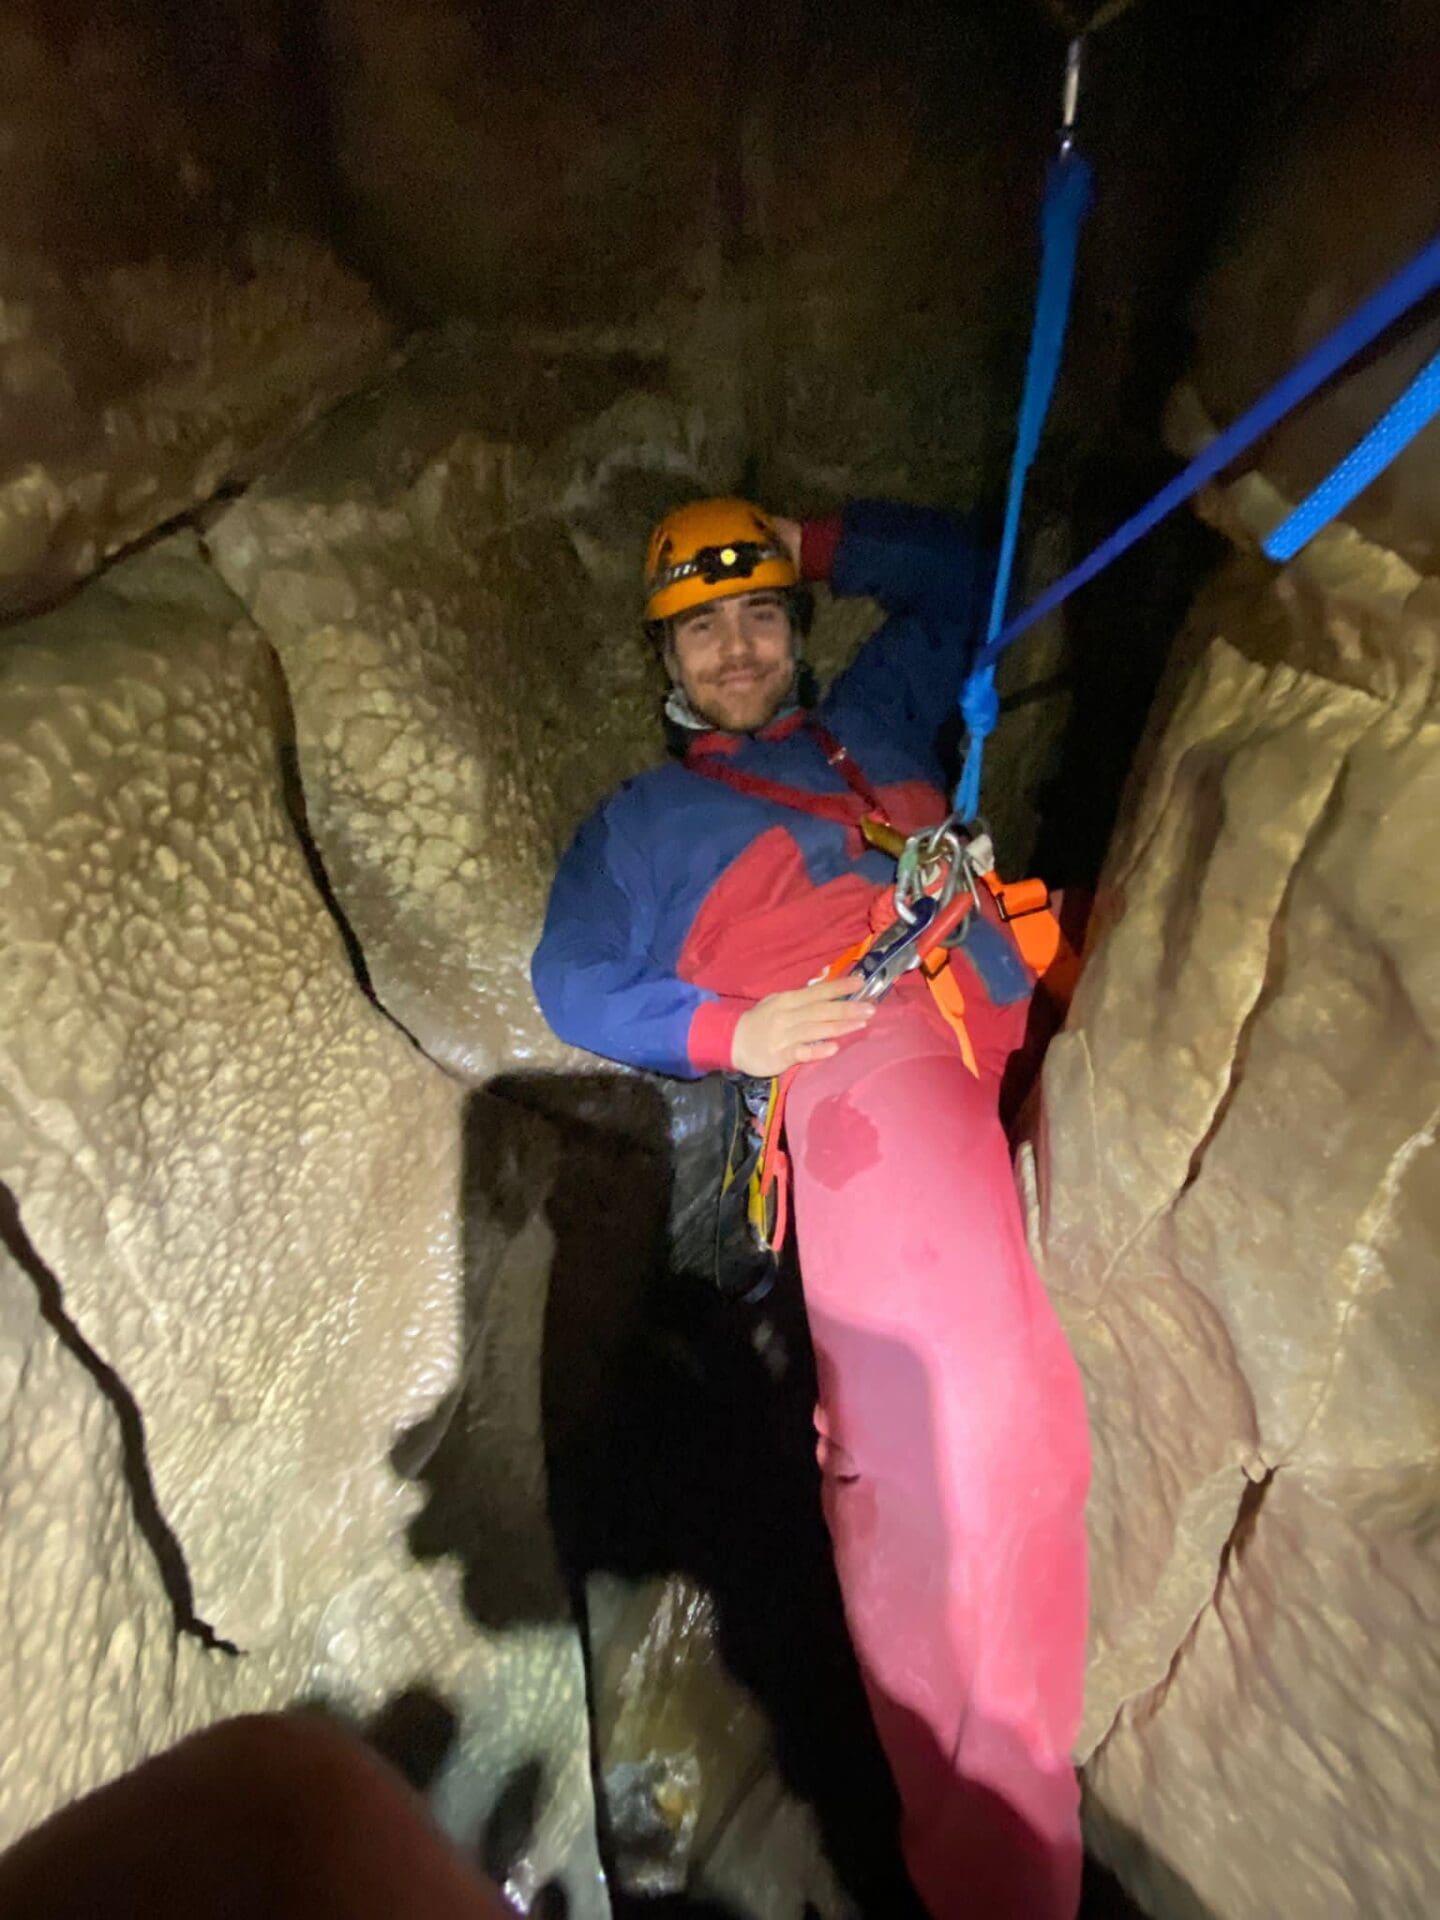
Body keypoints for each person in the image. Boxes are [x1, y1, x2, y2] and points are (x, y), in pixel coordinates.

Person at [532, 497, 1091, 1919]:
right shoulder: (647, 822)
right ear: (664, 655)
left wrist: (819, 537)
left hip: (1017, 1024)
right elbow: (573, 977)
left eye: (761, 613)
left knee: (992, 1416)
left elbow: (975, 577)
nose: (737, 646)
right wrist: (731, 1029)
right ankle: (1001, 1876)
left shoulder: (874, 714)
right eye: (703, 627)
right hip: (871, 1057)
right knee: (953, 1438)